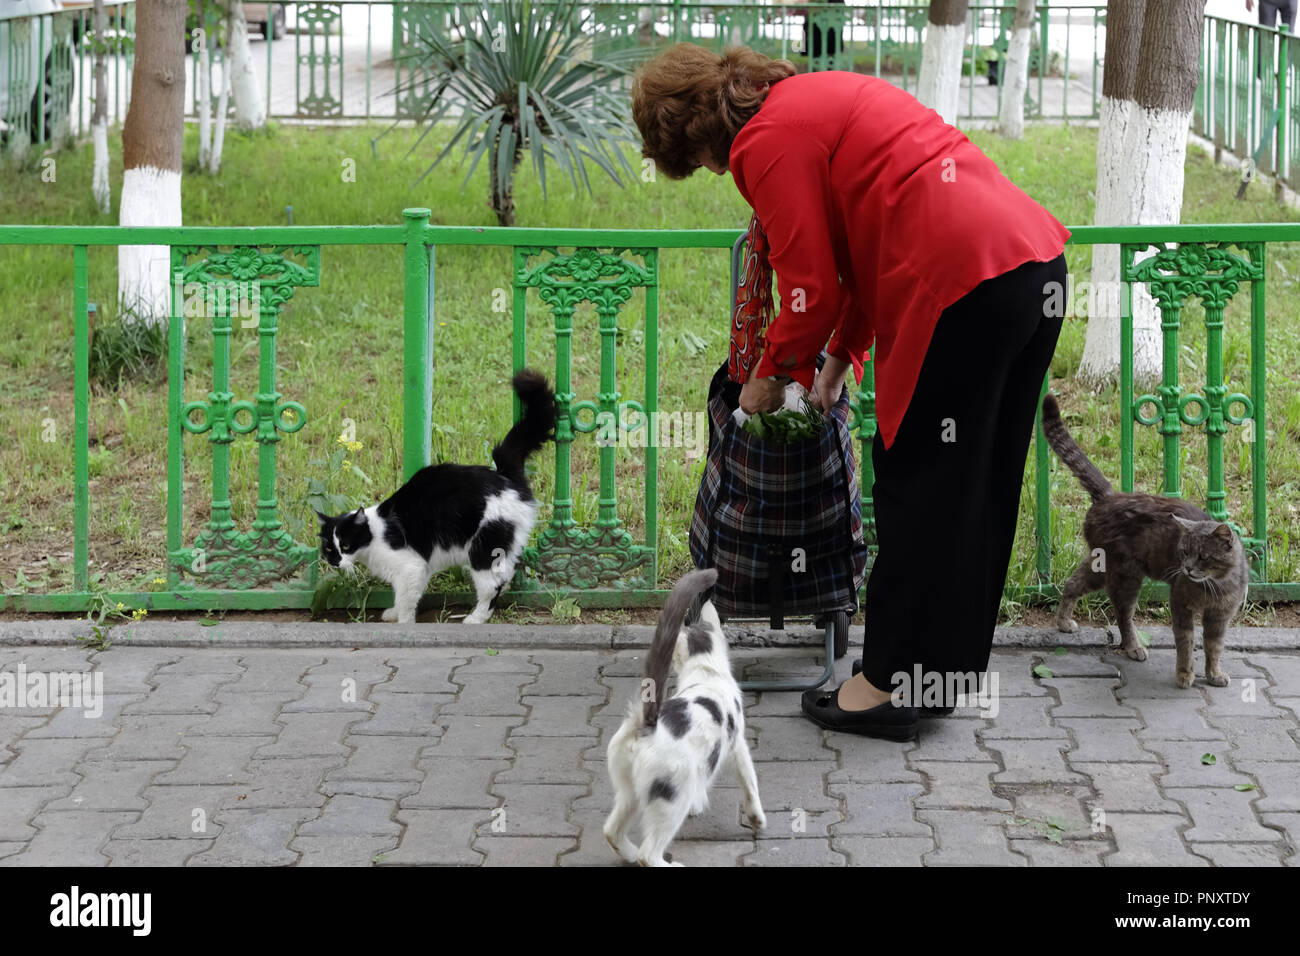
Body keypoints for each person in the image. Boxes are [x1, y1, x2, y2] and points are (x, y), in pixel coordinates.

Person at [632, 44, 1071, 740]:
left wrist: (766, 378)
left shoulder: (763, 145)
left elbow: (807, 290)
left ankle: (886, 689)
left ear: (694, 135)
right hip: (1031, 268)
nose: (716, 172)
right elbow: (861, 243)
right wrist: (841, 357)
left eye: (700, 161)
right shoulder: (812, 100)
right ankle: (943, 676)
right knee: (976, 488)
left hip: (960, 285)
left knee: (914, 482)